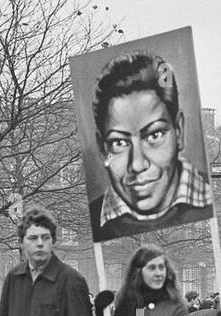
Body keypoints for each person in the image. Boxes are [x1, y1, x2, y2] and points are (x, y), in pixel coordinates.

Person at [87, 51, 213, 242]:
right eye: (119, 143)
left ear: (178, 131)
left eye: (154, 135)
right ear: (103, 148)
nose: (137, 164)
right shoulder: (92, 221)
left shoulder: (210, 202)